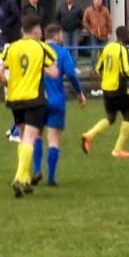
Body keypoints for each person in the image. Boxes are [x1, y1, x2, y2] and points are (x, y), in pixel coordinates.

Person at [0, 13, 58, 196]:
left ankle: (25, 179)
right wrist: (42, 68)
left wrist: (9, 85)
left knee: (23, 137)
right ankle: (18, 177)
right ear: (37, 30)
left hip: (15, 99)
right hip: (34, 98)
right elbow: (54, 73)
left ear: (22, 30)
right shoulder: (42, 48)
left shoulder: (10, 48)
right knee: (30, 138)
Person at [32, 24, 86, 187]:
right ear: (56, 36)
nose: (62, 37)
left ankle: (36, 170)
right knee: (53, 138)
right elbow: (70, 73)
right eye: (61, 35)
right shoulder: (63, 53)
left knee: (36, 136)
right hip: (56, 100)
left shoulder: (37, 50)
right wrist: (79, 93)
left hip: (38, 99)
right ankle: (50, 178)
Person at [81, 26, 129, 160]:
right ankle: (117, 149)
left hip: (107, 89)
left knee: (110, 117)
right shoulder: (124, 51)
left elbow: (98, 69)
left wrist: (108, 77)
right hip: (120, 89)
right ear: (126, 36)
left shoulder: (107, 48)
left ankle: (89, 135)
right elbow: (127, 71)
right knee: (127, 116)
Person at [82, 0, 112, 64]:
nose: (100, 2)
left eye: (101, 0)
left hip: (104, 34)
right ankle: (94, 66)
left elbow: (109, 21)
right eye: (98, 0)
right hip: (94, 34)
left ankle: (103, 65)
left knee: (104, 50)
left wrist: (109, 32)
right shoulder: (88, 10)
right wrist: (90, 30)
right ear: (94, 1)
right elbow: (85, 21)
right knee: (94, 50)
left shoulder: (105, 10)